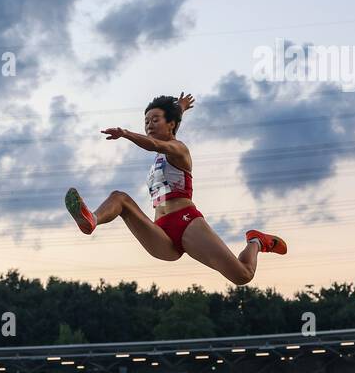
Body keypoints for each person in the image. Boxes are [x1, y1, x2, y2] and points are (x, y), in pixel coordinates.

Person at [66, 93, 287, 285]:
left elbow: (156, 144)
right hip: (161, 230)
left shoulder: (178, 149)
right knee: (120, 198)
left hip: (187, 222)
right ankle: (91, 219)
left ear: (171, 124)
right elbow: (164, 130)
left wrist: (125, 133)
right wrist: (179, 107)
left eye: (155, 120)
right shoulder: (160, 155)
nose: (149, 125)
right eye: (146, 121)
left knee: (243, 276)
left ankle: (256, 241)